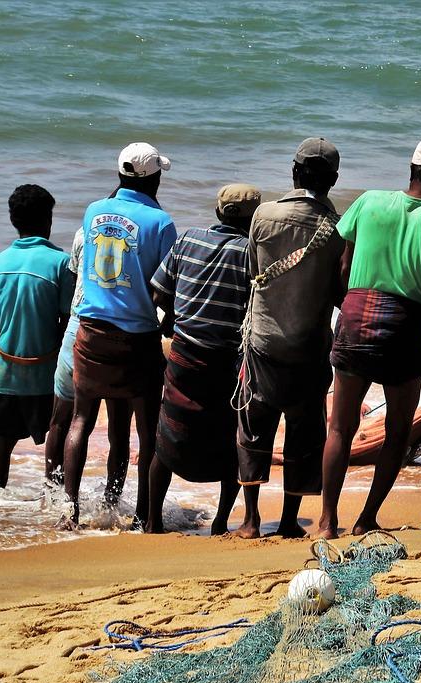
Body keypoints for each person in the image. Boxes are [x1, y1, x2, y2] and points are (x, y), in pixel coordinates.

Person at [317, 140, 421, 538]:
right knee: (398, 432)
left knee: (340, 426)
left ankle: (326, 522)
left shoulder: (368, 202)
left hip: (355, 317)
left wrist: (348, 306)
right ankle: (366, 518)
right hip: (404, 328)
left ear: (411, 169)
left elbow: (343, 264)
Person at [235, 137, 347, 538]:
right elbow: (339, 293)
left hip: (263, 341)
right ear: (333, 180)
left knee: (253, 427)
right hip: (310, 347)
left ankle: (250, 521)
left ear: (295, 172)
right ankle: (287, 521)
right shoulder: (338, 230)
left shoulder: (263, 216)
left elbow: (254, 272)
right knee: (304, 434)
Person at [63, 143, 176, 527]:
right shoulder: (161, 223)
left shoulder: (94, 211)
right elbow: (167, 287)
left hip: (90, 333)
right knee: (143, 433)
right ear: (156, 178)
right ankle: (144, 516)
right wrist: (171, 320)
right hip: (136, 340)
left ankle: (69, 511)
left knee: (80, 420)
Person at [145, 183, 261, 535]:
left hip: (183, 356)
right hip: (225, 363)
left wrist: (173, 318)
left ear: (217, 212)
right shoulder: (251, 254)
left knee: (167, 435)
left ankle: (152, 522)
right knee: (229, 438)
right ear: (254, 219)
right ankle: (221, 523)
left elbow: (158, 291)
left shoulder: (188, 239)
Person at [0, 185, 74, 488]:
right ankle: (54, 502)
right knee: (57, 440)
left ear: (13, 220)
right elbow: (66, 320)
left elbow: (3, 314)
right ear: (48, 220)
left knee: (3, 445)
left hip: (5, 373)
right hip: (48, 376)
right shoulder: (61, 263)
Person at [46, 229, 132, 503]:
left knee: (65, 421)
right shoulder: (140, 231)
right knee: (119, 430)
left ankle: (56, 499)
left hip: (78, 328)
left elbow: (75, 279)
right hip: (122, 334)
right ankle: (111, 502)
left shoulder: (84, 230)